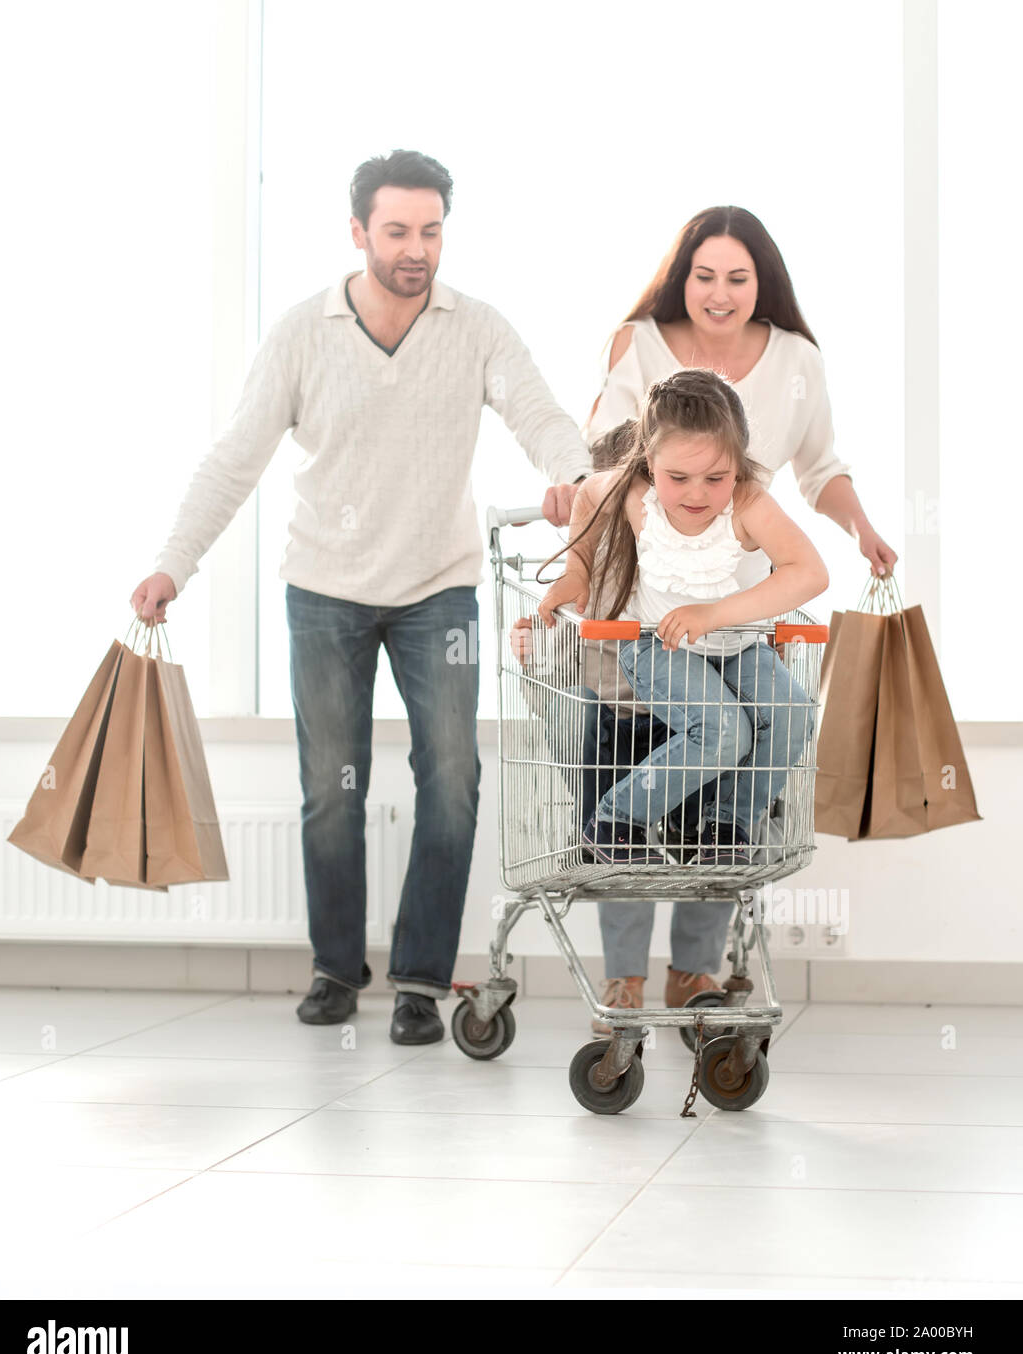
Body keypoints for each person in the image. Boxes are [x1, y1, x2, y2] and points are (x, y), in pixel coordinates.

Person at [128, 149, 592, 1046]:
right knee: (331, 790)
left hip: (439, 590)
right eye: (397, 231)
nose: (416, 249)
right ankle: (336, 969)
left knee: (453, 780)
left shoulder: (478, 328)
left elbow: (537, 411)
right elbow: (233, 460)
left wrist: (572, 469)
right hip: (325, 592)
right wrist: (172, 564)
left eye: (431, 231)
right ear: (358, 233)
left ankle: (421, 981)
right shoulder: (303, 334)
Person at [574, 205, 898, 1020]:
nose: (719, 293)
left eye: (738, 278)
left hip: (739, 609)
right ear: (684, 277)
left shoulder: (795, 362)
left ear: (765, 286)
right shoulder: (640, 342)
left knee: (722, 773)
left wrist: (858, 524)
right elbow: (600, 460)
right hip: (641, 615)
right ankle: (624, 978)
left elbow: (820, 465)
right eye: (704, 275)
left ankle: (692, 970)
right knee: (636, 762)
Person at [539, 370, 826, 868]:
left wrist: (715, 614)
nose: (697, 494)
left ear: (737, 466)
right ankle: (616, 819)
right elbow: (587, 496)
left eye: (716, 478)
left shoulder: (749, 504)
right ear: (651, 463)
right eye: (678, 478)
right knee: (725, 731)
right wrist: (576, 572)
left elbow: (810, 573)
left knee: (793, 712)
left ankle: (726, 824)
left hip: (735, 646)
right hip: (658, 648)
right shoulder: (634, 495)